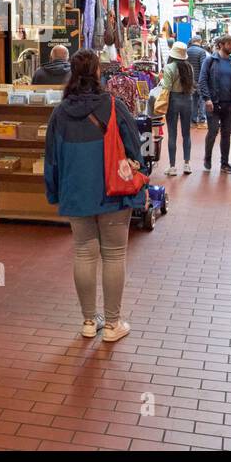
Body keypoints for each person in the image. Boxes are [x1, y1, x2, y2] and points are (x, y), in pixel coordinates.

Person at [43, 50, 144, 342]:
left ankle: (89, 321)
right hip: (112, 190)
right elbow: (134, 146)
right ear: (98, 72)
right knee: (114, 254)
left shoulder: (60, 112)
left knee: (84, 252)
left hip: (75, 190)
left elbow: (51, 158)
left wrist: (54, 192)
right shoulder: (113, 105)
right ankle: (112, 325)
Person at [199, 34, 231, 173]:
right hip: (213, 104)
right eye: (229, 43)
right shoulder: (210, 61)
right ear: (221, 45)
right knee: (212, 131)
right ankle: (207, 157)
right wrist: (207, 99)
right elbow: (203, 81)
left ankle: (224, 163)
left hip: (230, 104)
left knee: (226, 134)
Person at [159, 41, 195, 175]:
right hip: (187, 99)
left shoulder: (169, 68)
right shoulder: (189, 67)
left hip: (173, 100)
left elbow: (166, 87)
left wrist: (161, 80)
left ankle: (172, 167)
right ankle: (187, 164)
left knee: (172, 133)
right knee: (186, 133)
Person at [186, 39, 208, 125]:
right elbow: (203, 66)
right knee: (202, 99)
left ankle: (193, 118)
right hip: (199, 79)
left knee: (193, 100)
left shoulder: (187, 51)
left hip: (190, 79)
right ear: (199, 41)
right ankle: (202, 118)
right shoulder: (202, 51)